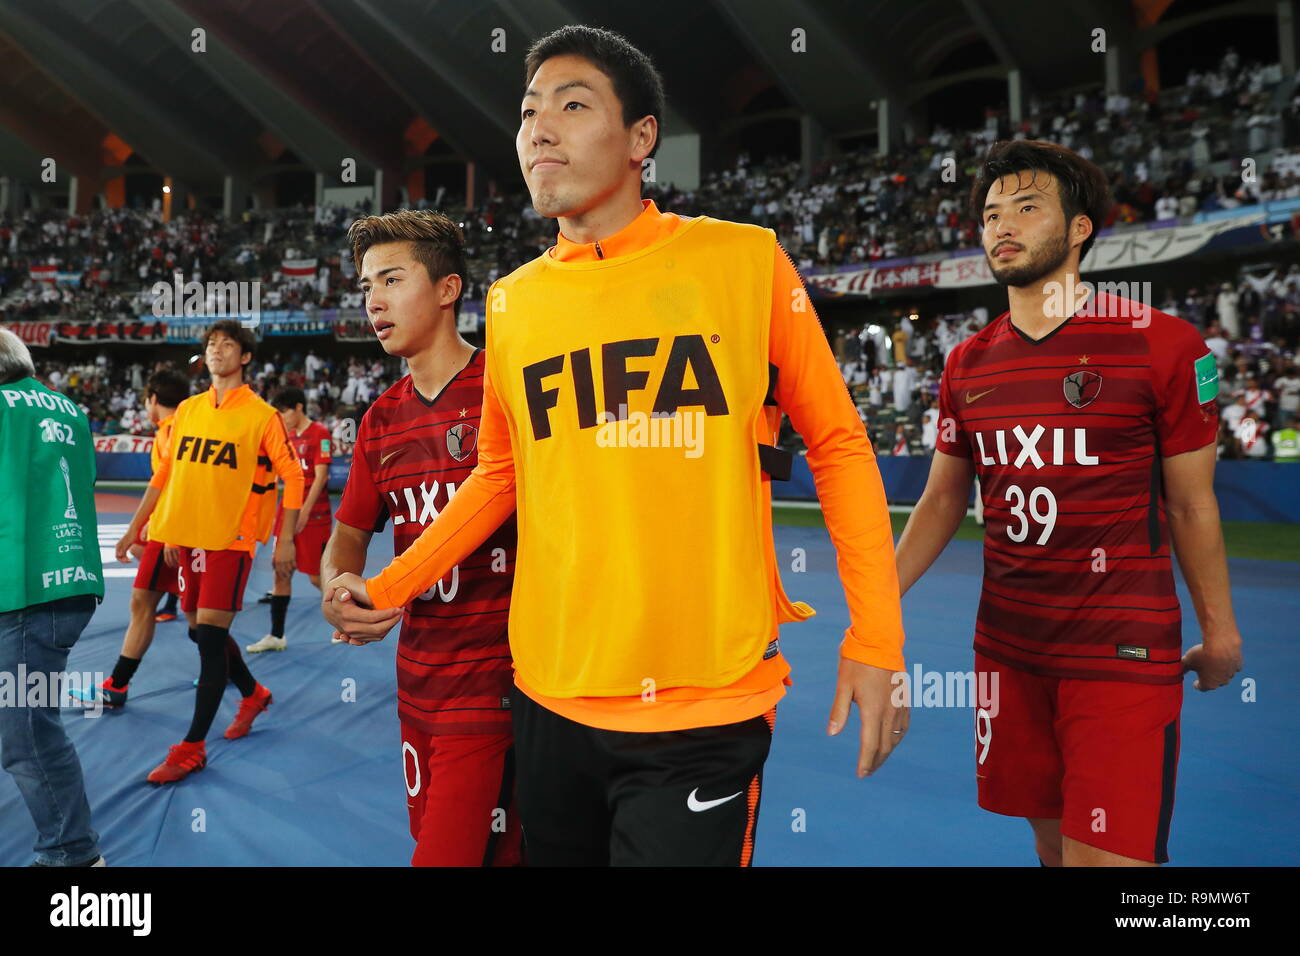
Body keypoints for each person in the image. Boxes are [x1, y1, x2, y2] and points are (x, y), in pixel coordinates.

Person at [327, 24, 907, 866]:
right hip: (548, 697)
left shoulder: (744, 262)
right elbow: (497, 477)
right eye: (529, 112)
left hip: (704, 706)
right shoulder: (515, 303)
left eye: (572, 106)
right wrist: (388, 587)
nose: (539, 130)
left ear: (642, 139)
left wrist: (877, 641)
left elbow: (840, 444)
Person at [895, 139, 1244, 867]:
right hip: (1008, 648)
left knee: (1105, 858)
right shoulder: (966, 363)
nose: (1003, 224)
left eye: (1027, 207)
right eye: (992, 213)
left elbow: (1191, 506)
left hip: (1121, 648)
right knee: (1052, 846)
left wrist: (1219, 632)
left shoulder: (1167, 346)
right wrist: (874, 601)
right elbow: (941, 501)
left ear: (1080, 228)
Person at [321, 209, 521, 867]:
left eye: (391, 279)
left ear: (447, 289)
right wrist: (337, 590)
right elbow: (348, 535)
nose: (373, 301)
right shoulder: (380, 421)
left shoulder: (510, 389)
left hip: (499, 682)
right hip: (416, 684)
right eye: (366, 286)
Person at [133, 320, 304, 784]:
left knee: (209, 639)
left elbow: (295, 475)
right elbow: (172, 475)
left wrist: (286, 538)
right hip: (189, 538)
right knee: (199, 633)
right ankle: (253, 693)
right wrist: (158, 529)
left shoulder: (261, 415)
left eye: (227, 344)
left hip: (231, 540)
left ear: (245, 357)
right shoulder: (189, 410)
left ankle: (191, 748)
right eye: (211, 344)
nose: (217, 350)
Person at [0, 329, 105, 866]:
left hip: (21, 588)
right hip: (69, 581)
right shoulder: (68, 409)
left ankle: (73, 854)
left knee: (27, 733)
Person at [70, 368, 190, 707]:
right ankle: (226, 673)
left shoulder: (173, 431)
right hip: (171, 528)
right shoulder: (176, 428)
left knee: (155, 606)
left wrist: (165, 530)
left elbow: (176, 483)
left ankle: (118, 686)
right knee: (199, 619)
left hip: (173, 531)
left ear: (153, 399)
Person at [246, 388, 334, 653]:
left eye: (284, 412)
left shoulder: (320, 433)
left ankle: (345, 621)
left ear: (298, 408)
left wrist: (304, 511)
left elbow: (321, 476)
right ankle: (276, 635)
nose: (282, 418)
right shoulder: (284, 437)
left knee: (317, 578)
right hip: (287, 514)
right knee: (281, 572)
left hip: (314, 517)